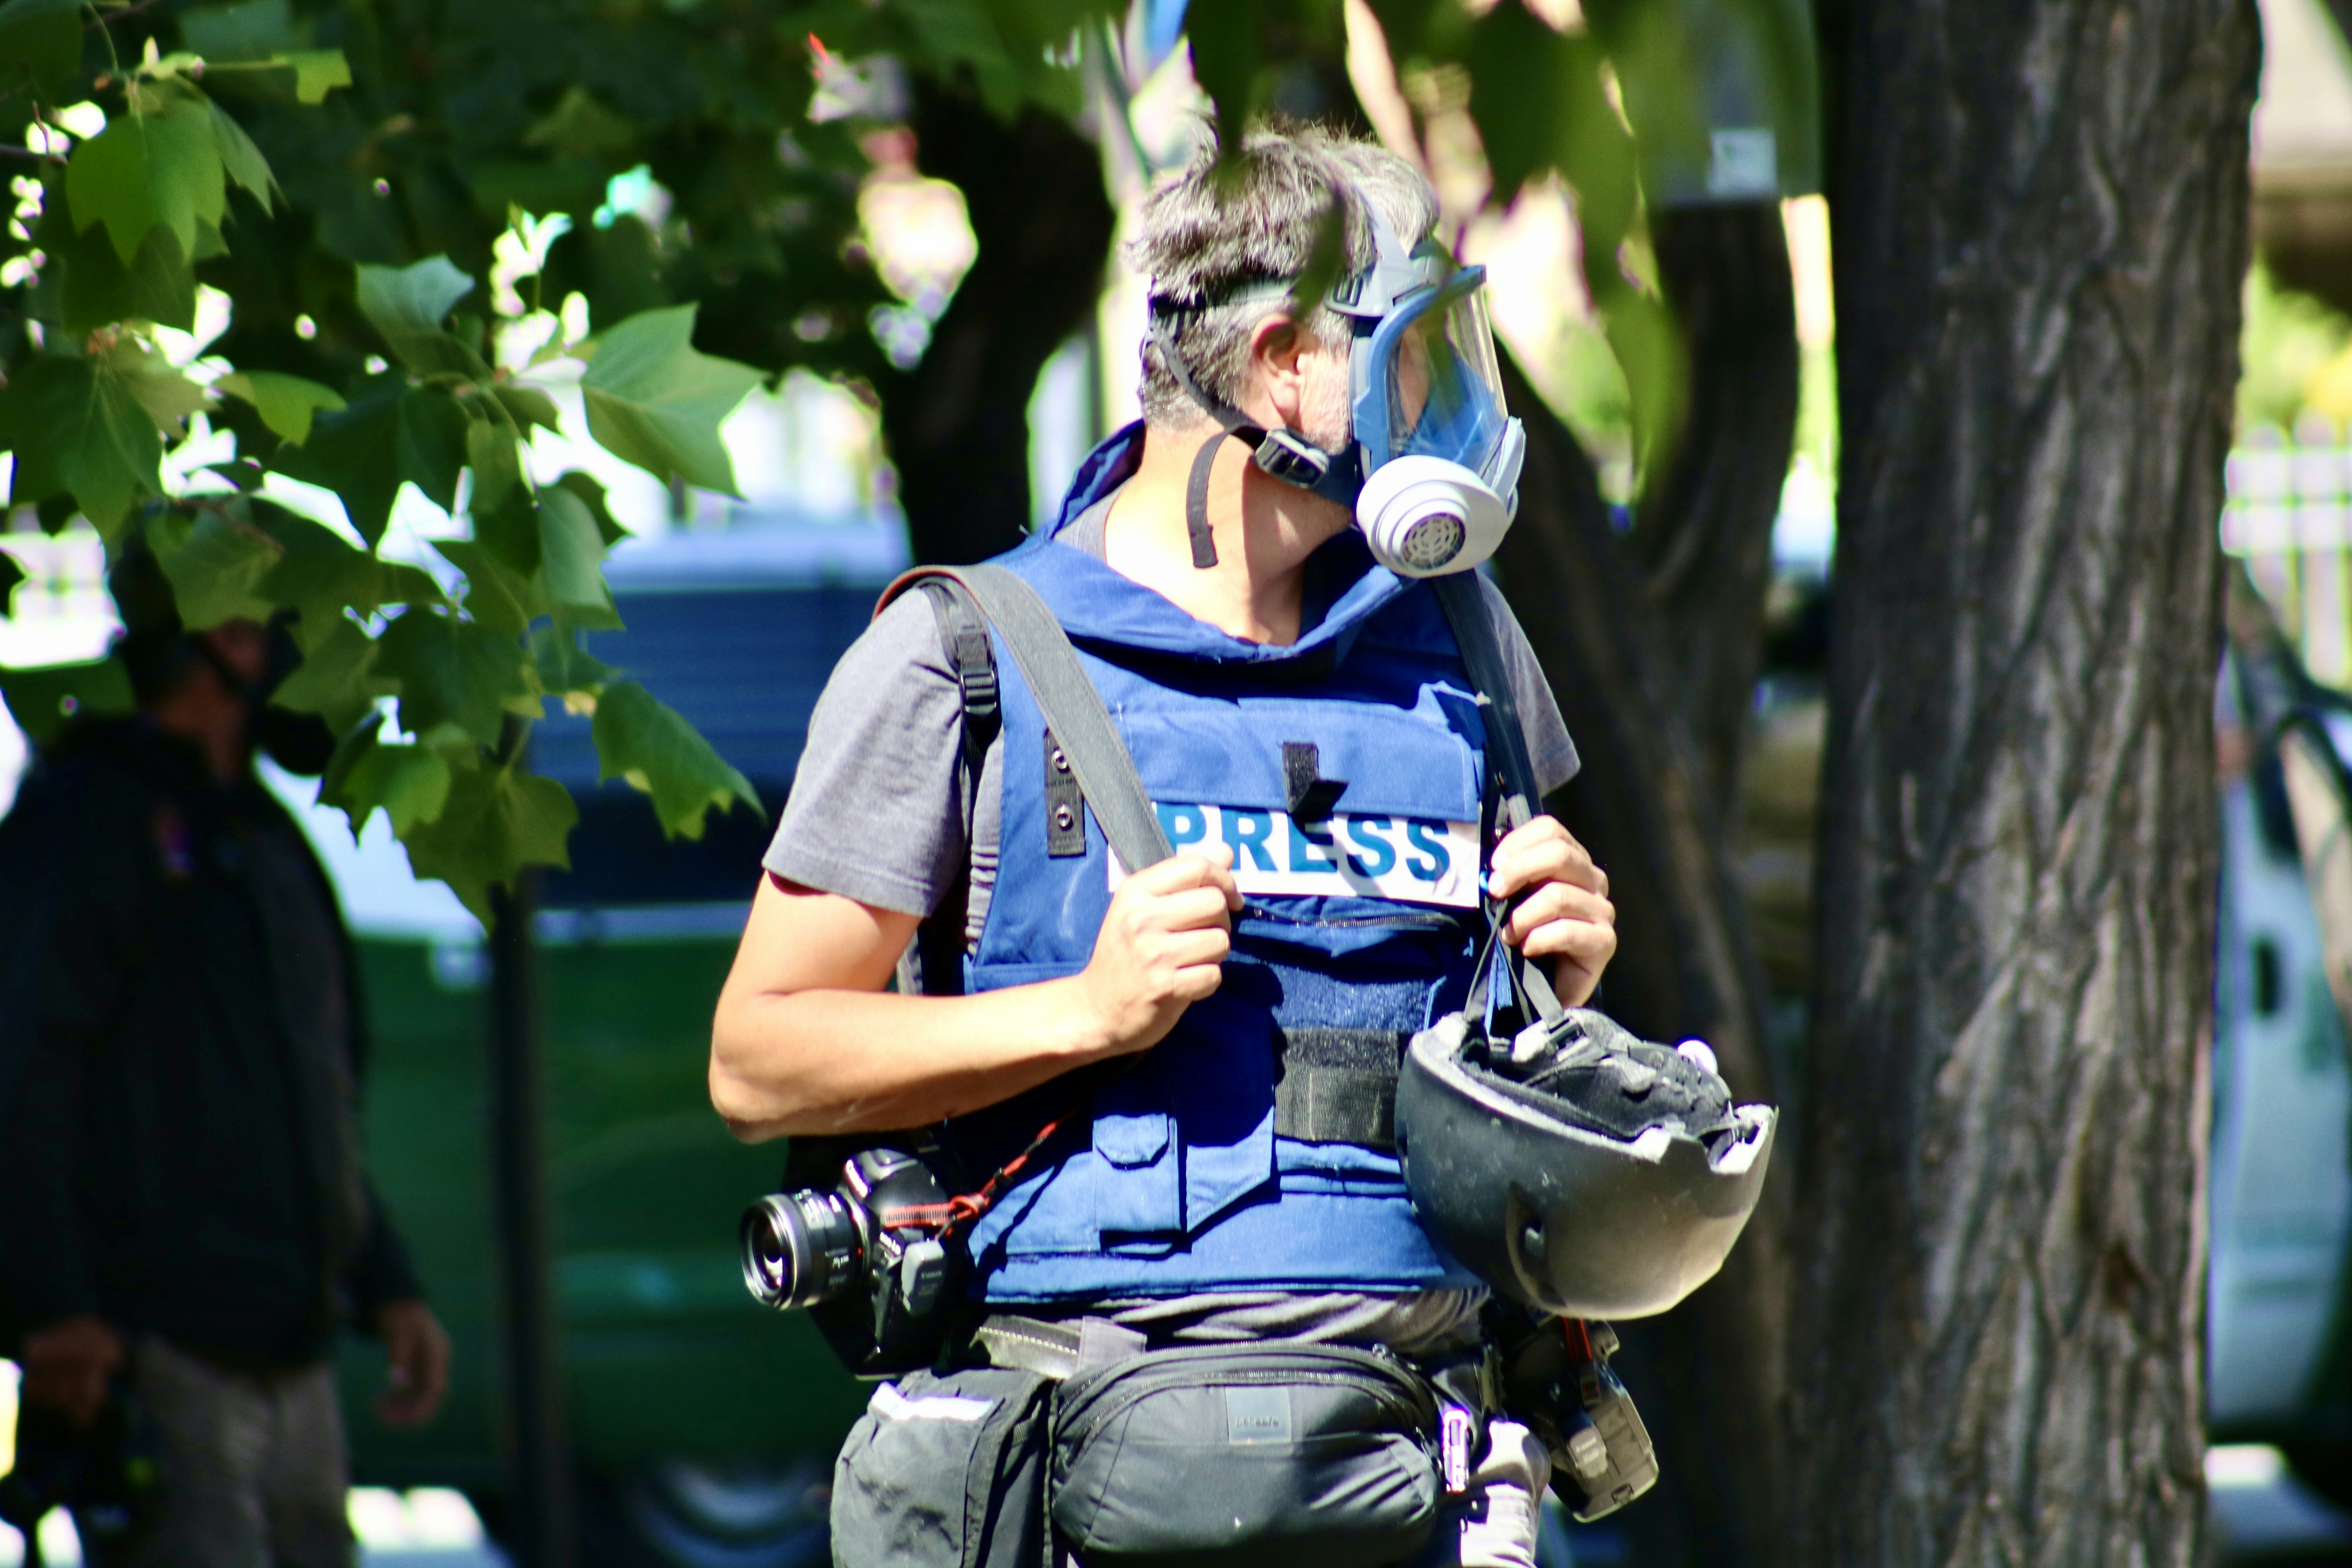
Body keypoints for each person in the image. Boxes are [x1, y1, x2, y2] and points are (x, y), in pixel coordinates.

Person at [711, 122, 1614, 1566]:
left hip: (1425, 1474)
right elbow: (758, 1061)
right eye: (1409, 356)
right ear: (1282, 364)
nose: (1444, 400)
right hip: (1099, 1472)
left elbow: (1497, 1093)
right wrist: (1084, 1014)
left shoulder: (1461, 641)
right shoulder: (962, 656)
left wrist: (1552, 989)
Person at [0, 548, 450, 1568]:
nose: (311, 661)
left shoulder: (264, 835)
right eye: (293, 630)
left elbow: (314, 1093)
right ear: (230, 639)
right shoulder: (87, 815)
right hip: (162, 1357)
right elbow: (26, 1073)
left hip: (295, 1358)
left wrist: (388, 1284)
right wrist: (56, 1308)